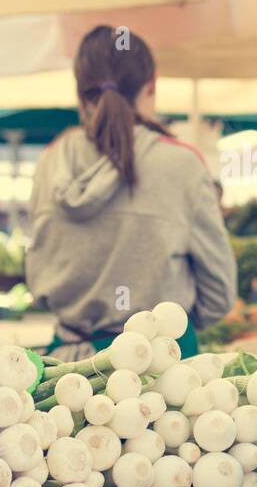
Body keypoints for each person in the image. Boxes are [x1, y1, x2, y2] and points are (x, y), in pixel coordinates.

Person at [26, 25, 237, 359]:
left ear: (81, 94)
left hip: (67, 371)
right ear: (151, 86)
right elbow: (219, 296)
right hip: (161, 368)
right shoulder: (182, 164)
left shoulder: (50, 161)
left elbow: (37, 275)